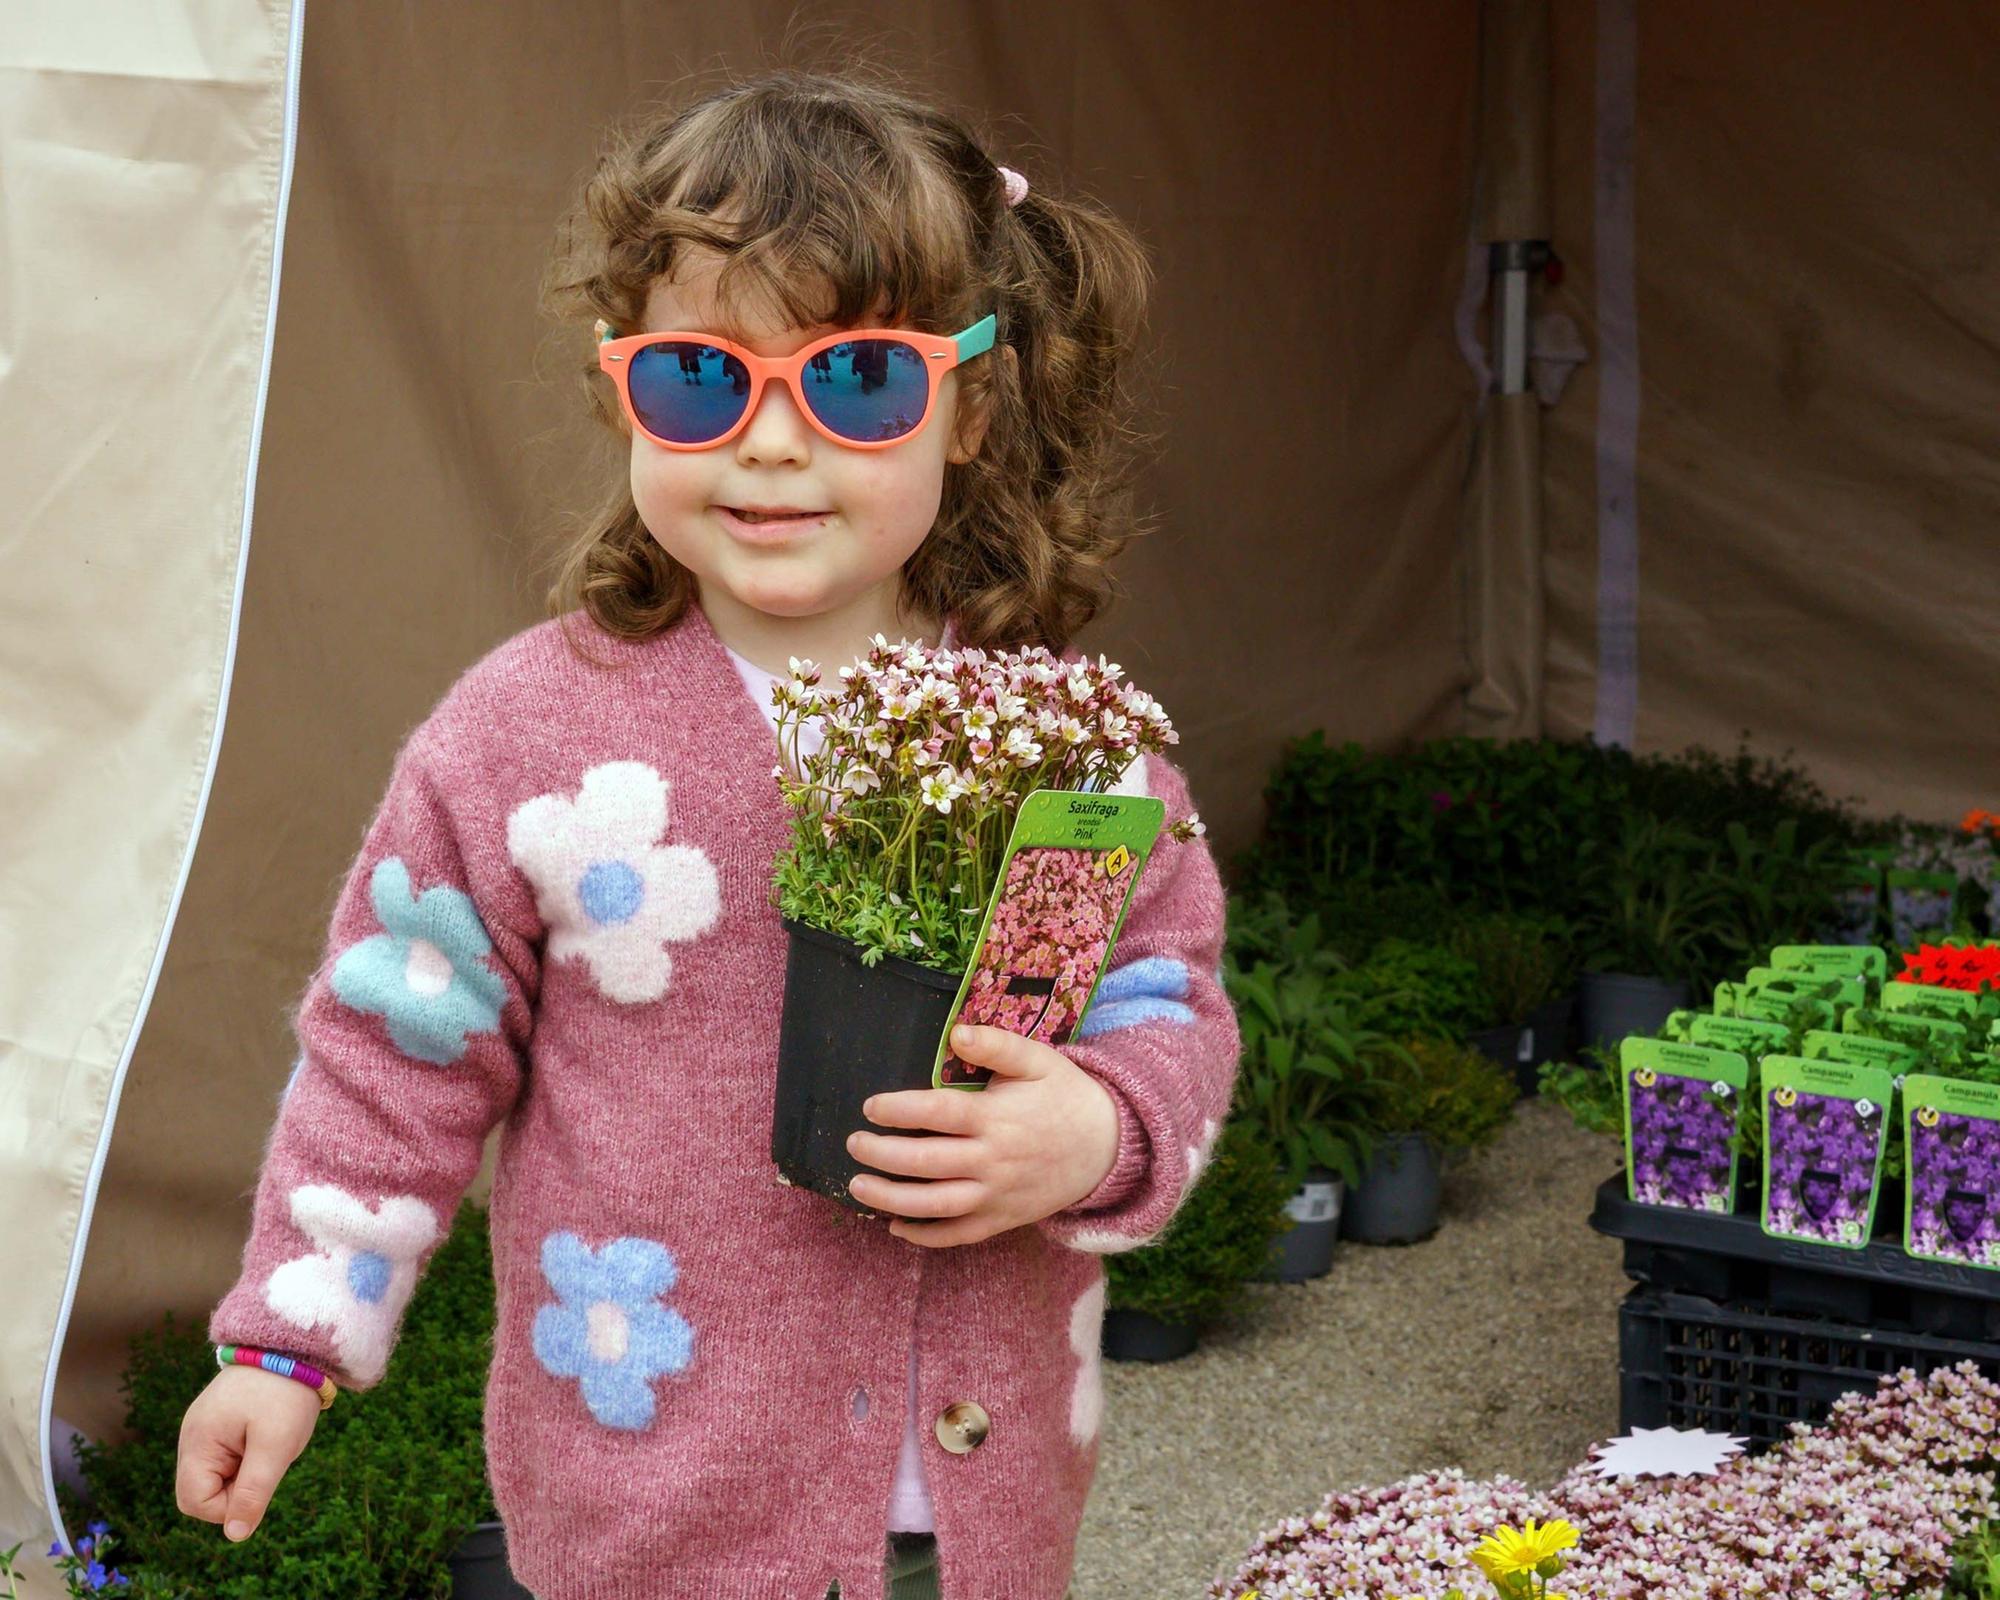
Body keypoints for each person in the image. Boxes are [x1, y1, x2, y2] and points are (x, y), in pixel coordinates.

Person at [175, 63, 1238, 1600]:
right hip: (644, 1509)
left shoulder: (1063, 745)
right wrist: (287, 1344)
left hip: (968, 1505)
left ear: (972, 402)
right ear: (621, 389)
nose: (772, 442)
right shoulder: (524, 742)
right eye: (701, 379)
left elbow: (1164, 1000)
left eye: (857, 379)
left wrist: (1101, 1131)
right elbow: (392, 1058)